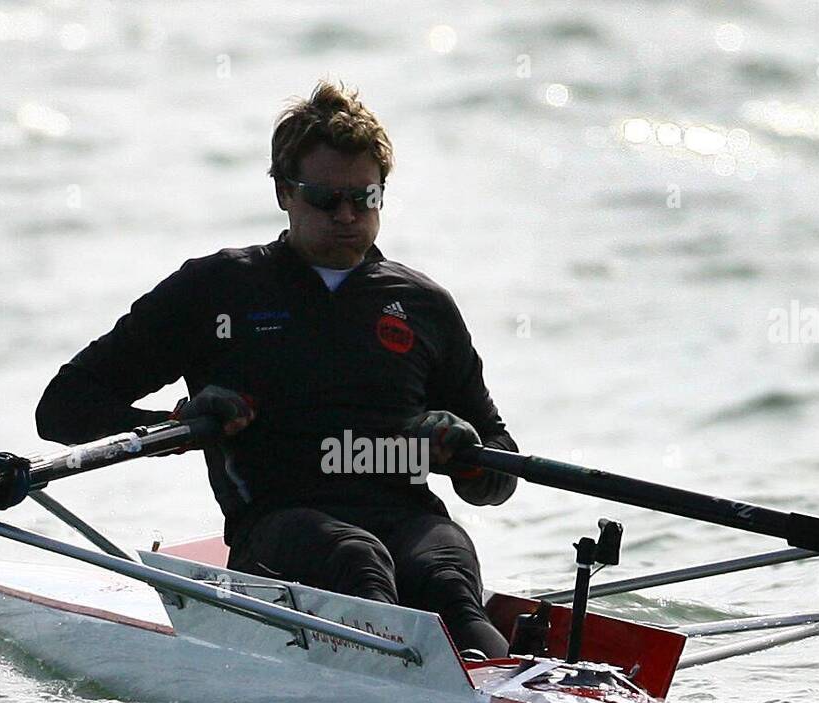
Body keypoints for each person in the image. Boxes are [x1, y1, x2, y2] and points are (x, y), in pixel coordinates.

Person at [36, 81, 518, 657]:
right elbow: (63, 408)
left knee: (448, 583)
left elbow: (499, 466)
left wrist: (464, 457)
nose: (346, 216)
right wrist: (176, 423)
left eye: (364, 198)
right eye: (324, 199)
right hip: (279, 523)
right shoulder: (217, 289)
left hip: (407, 517)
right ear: (283, 193)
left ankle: (520, 697)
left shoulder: (424, 305)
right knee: (357, 563)